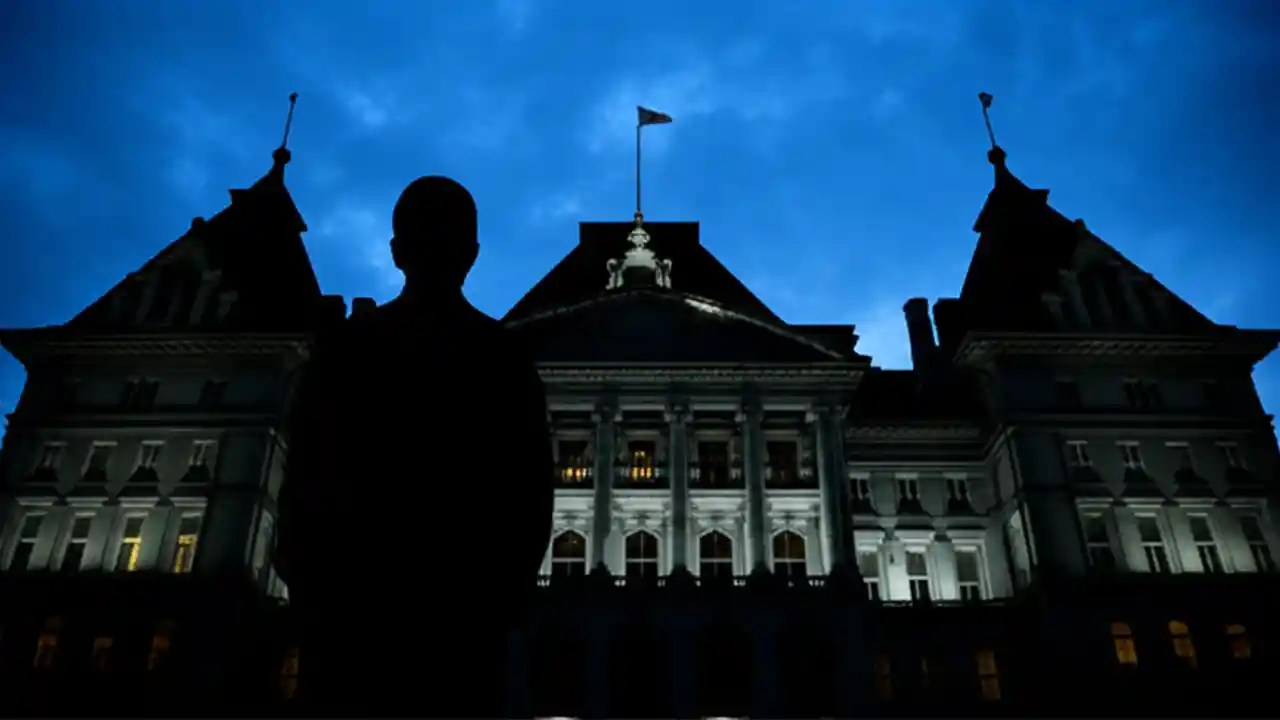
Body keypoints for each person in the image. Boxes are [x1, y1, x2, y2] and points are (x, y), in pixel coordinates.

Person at [276, 176, 555, 717]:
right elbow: (530, 497)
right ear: (472, 254)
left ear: (395, 250)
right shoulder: (503, 356)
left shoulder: (348, 350)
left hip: (354, 623)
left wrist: (312, 593)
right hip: (457, 628)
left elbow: (302, 482)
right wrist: (501, 604)